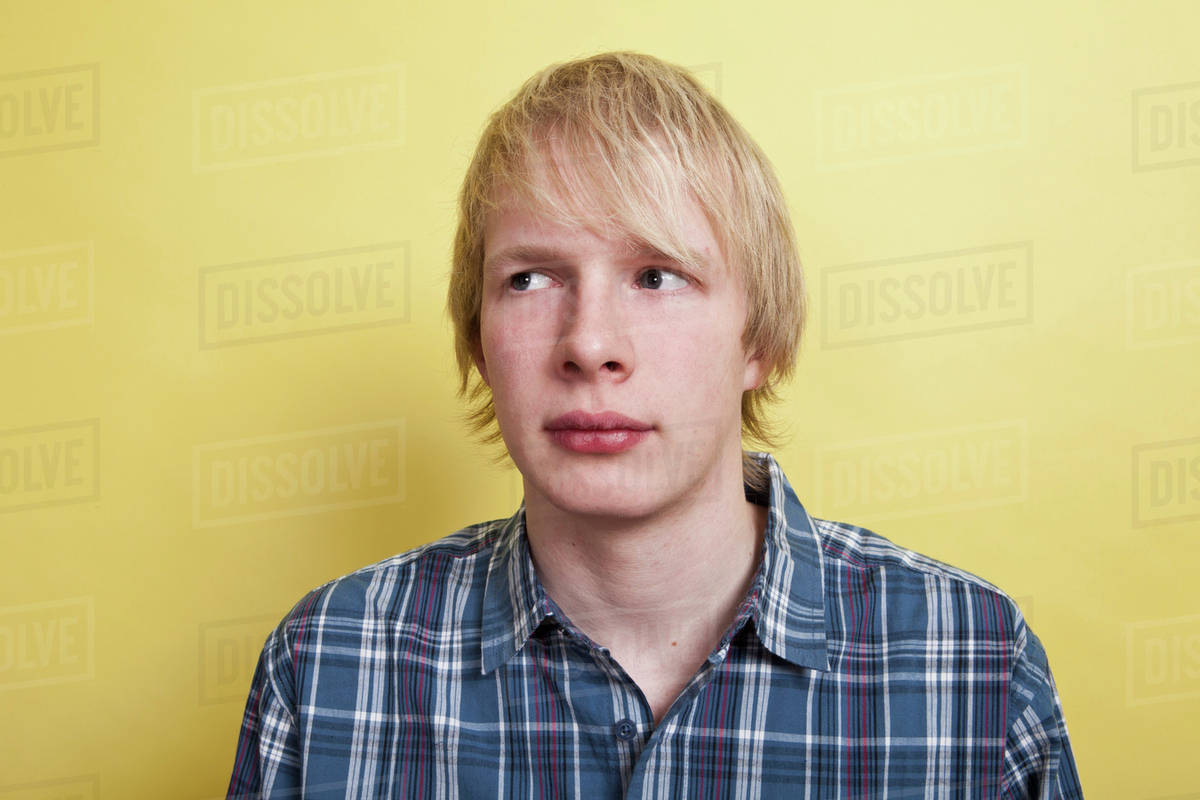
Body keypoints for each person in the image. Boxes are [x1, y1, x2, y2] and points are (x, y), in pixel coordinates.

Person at [226, 51, 1083, 798]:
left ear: (759, 340)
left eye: (658, 275)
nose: (590, 344)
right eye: (530, 279)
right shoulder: (329, 664)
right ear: (480, 342)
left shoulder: (974, 667)